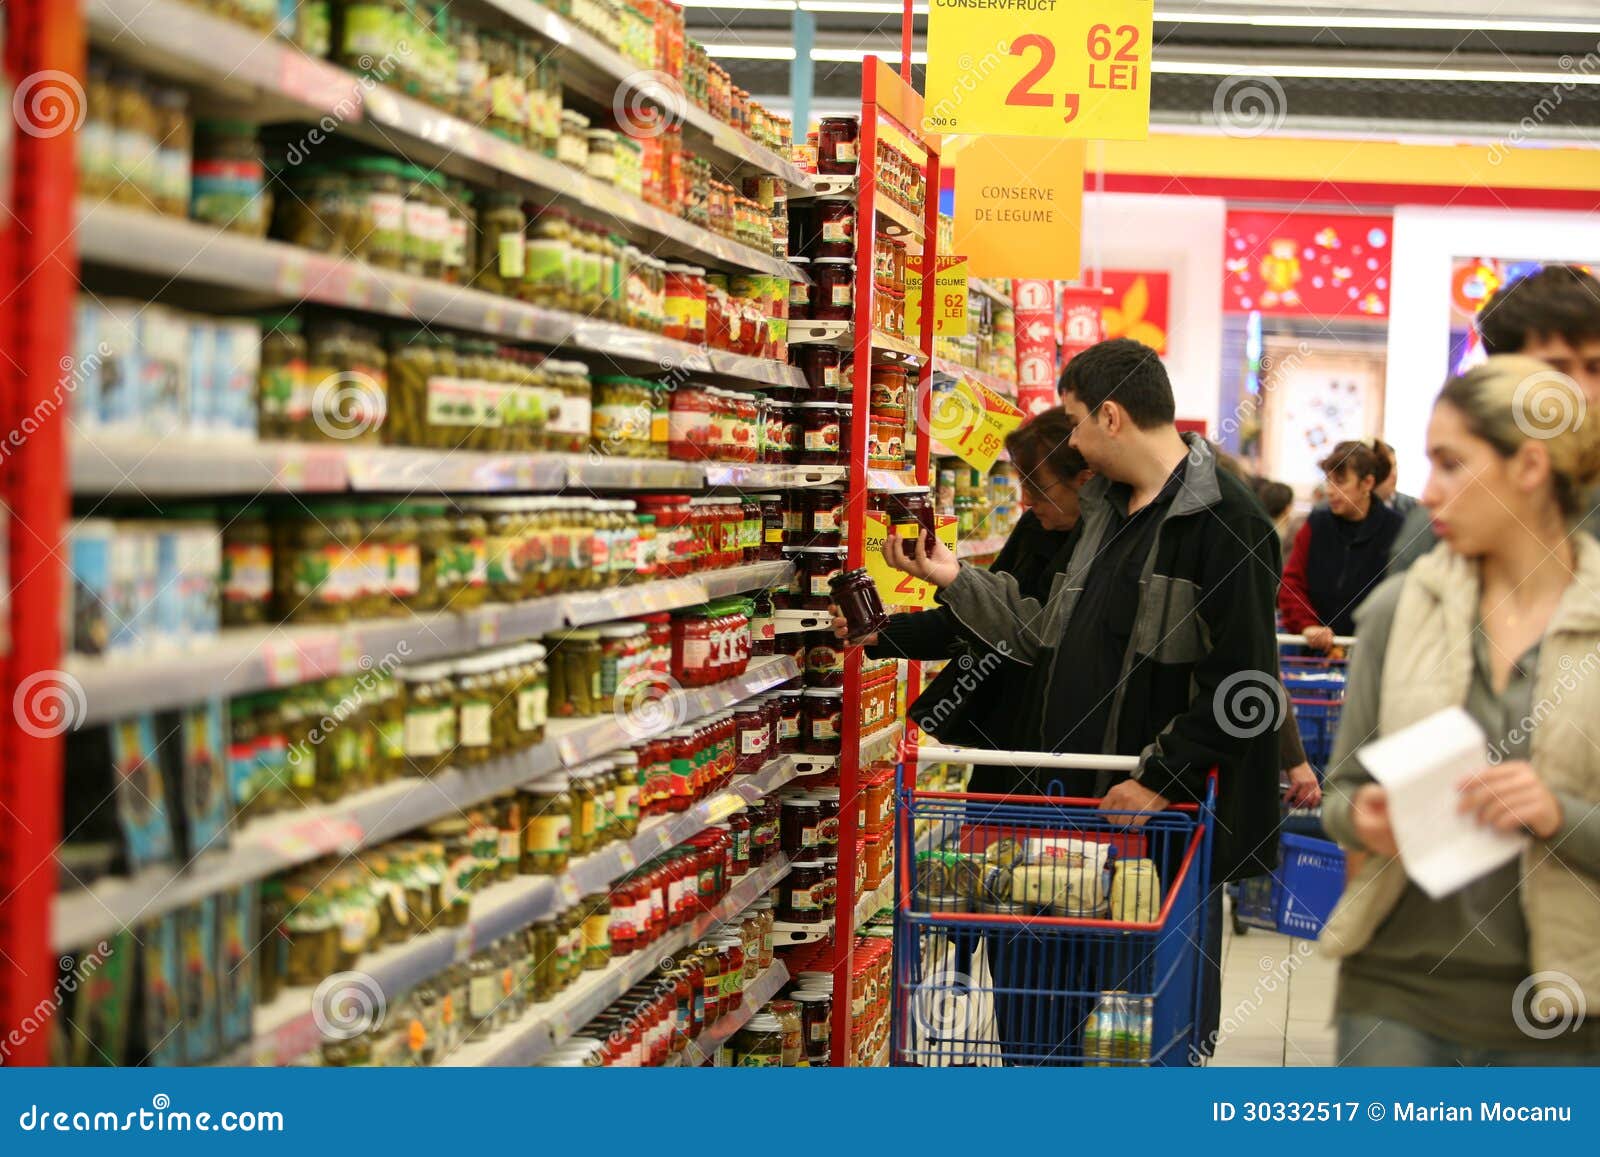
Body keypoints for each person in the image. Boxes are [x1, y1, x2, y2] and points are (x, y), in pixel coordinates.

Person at [885, 338, 1284, 1060]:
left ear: (1110, 415)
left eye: (1073, 423)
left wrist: (1163, 777)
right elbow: (1043, 631)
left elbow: (1247, 683)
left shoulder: (1227, 523)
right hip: (1058, 817)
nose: (1069, 442)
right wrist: (953, 577)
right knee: (1038, 1030)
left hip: (1150, 836)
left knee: (1137, 1043)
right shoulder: (1102, 511)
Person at [1320, 356, 1600, 1065]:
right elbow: (1340, 792)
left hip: (1563, 1009)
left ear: (1529, 467)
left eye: (1451, 464)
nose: (1429, 492)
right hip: (1394, 992)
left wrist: (1556, 812)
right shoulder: (1395, 611)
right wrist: (1363, 817)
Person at [830, 408, 1090, 767]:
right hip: (1004, 738)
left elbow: (1036, 634)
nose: (1026, 501)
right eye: (1023, 484)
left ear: (1085, 480)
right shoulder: (1035, 528)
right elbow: (978, 622)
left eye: (1038, 487)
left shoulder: (1111, 550)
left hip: (1066, 747)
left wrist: (955, 578)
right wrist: (880, 632)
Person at [1390, 264, 1600, 573]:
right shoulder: (1448, 514)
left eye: (1596, 368)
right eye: (1556, 370)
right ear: (1501, 375)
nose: (1582, 391)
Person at [1278, 440, 1402, 652]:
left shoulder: (1397, 530)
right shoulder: (1315, 525)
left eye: (1340, 482)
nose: (1330, 491)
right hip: (1313, 658)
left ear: (1367, 483)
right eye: (1329, 481)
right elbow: (1291, 583)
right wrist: (1308, 625)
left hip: (1373, 653)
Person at [1373, 439, 1418, 516]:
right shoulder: (1357, 510)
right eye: (1387, 468)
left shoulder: (1414, 507)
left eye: (1395, 466)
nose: (1394, 474)